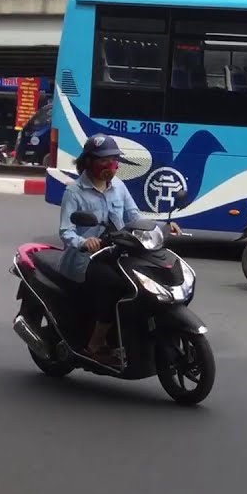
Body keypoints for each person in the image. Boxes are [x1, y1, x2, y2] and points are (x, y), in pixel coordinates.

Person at [59, 134, 179, 367]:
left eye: (113, 161)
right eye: (104, 161)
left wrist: (161, 226)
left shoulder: (119, 187)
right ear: (89, 162)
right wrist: (84, 242)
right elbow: (66, 231)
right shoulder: (74, 192)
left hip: (118, 253)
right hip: (86, 260)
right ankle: (95, 345)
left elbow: (134, 216)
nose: (110, 166)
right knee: (114, 287)